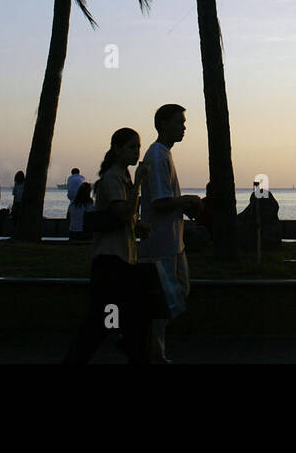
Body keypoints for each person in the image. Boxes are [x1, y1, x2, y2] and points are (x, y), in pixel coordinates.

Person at [64, 127, 151, 364]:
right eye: (132, 147)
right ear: (117, 149)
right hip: (112, 261)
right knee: (107, 320)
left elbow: (124, 217)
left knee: (116, 319)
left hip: (120, 258)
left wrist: (137, 226)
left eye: (138, 147)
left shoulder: (121, 176)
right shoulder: (114, 178)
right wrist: (140, 182)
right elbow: (123, 212)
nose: (136, 152)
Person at [138, 103, 201, 363]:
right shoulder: (157, 156)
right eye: (179, 122)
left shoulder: (163, 154)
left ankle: (152, 349)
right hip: (161, 243)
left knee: (175, 295)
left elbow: (166, 200)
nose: (184, 127)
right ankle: (154, 353)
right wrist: (188, 199)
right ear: (163, 124)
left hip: (173, 241)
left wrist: (185, 206)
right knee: (164, 301)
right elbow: (160, 202)